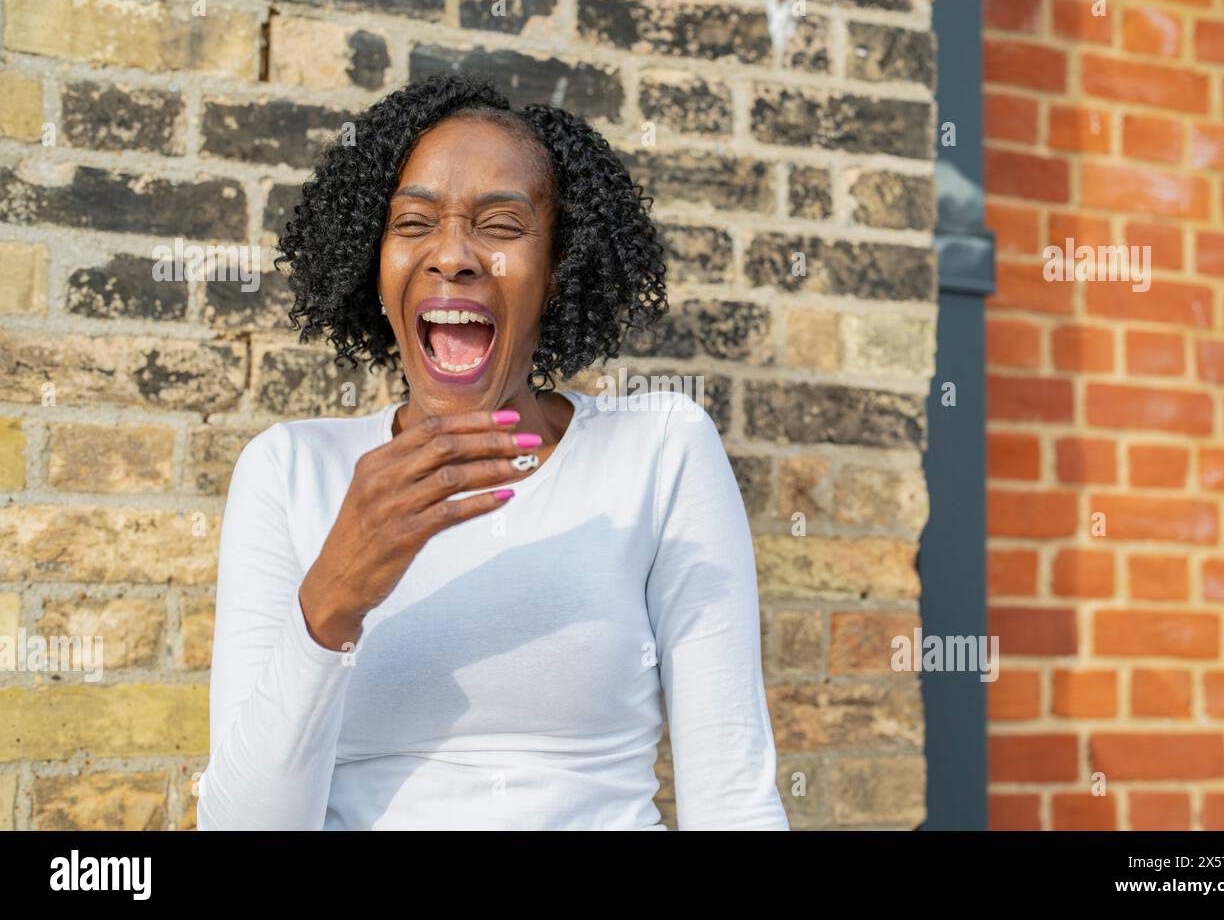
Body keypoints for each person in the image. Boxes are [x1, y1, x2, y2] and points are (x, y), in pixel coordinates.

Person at [197, 71, 789, 830]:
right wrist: (334, 599)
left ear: (557, 271)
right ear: (373, 267)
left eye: (502, 226)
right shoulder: (289, 471)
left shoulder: (659, 450)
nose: (452, 255)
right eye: (413, 224)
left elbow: (732, 798)